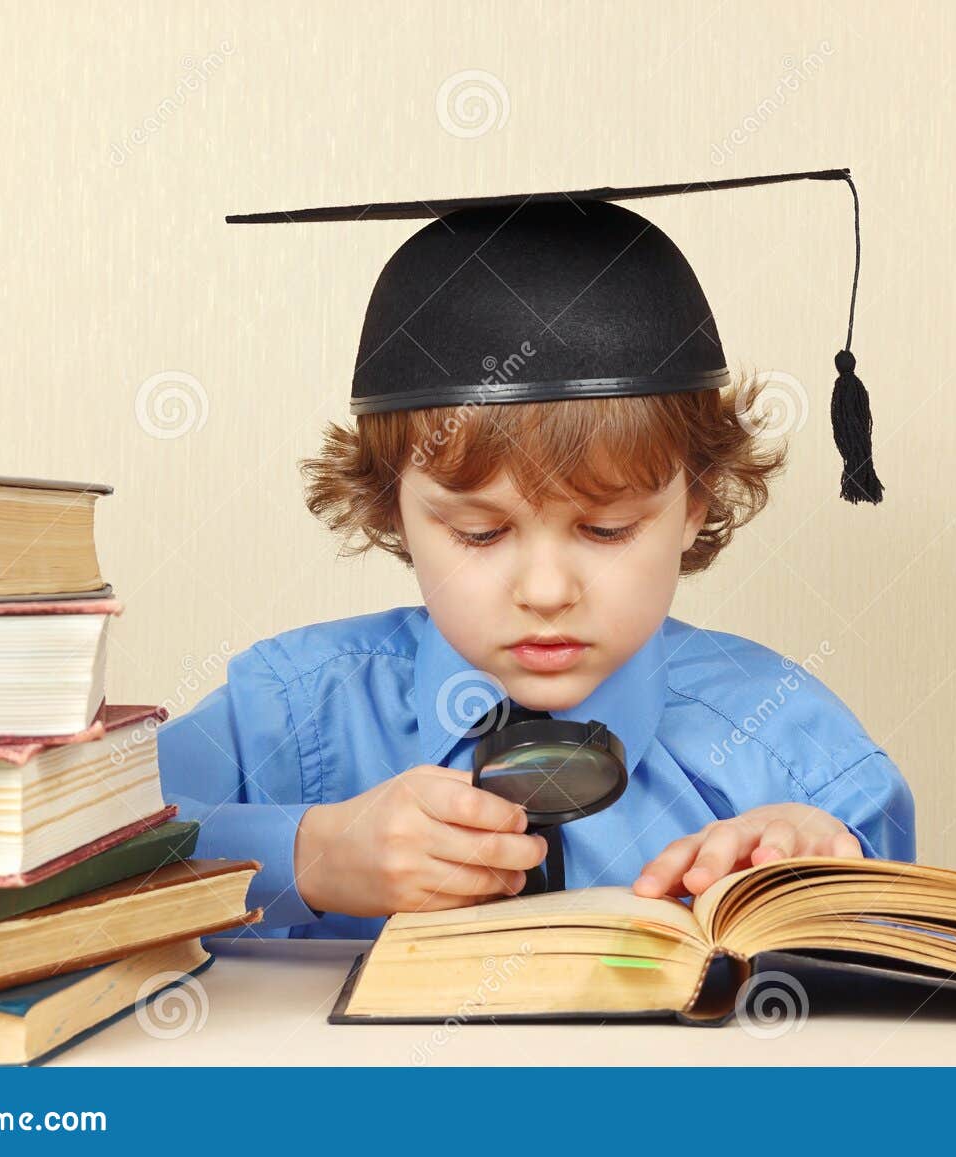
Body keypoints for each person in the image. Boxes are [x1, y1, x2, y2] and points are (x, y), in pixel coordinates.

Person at [156, 171, 914, 939]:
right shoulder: (284, 716)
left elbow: (935, 994)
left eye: (608, 529)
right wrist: (307, 856)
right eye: (480, 534)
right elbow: (70, 875)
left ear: (696, 503)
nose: (547, 591)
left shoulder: (795, 751)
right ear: (391, 506)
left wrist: (822, 886)